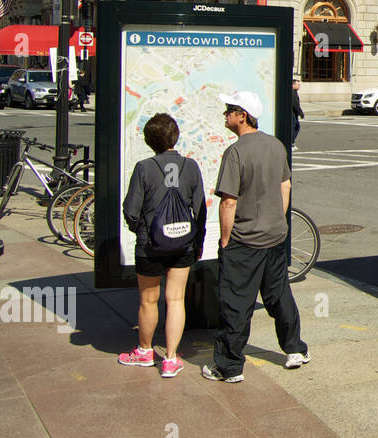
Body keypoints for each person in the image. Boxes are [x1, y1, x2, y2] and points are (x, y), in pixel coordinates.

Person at [202, 91, 309, 383]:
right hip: (274, 237)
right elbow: (285, 186)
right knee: (278, 295)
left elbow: (228, 202)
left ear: (242, 116)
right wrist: (276, 218)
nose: (225, 115)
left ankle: (229, 367)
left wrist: (225, 242)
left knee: (236, 304)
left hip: (244, 241)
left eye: (229, 110)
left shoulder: (235, 153)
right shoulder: (276, 146)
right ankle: (295, 349)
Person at [119, 113, 206, 378]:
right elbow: (200, 209)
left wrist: (142, 230)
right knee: (176, 298)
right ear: (175, 136)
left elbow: (131, 210)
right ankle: (170, 358)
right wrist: (197, 241)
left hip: (150, 244)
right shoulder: (190, 166)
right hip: (183, 243)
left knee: (148, 300)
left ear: (149, 141)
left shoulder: (144, 168)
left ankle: (145, 351)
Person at [291, 79, 304, 149]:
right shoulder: (292, 93)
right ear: (293, 85)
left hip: (294, 113)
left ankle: (292, 142)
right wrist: (301, 113)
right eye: (298, 84)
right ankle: (291, 143)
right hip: (292, 114)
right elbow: (295, 105)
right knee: (294, 128)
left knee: (296, 127)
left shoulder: (294, 92)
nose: (299, 86)